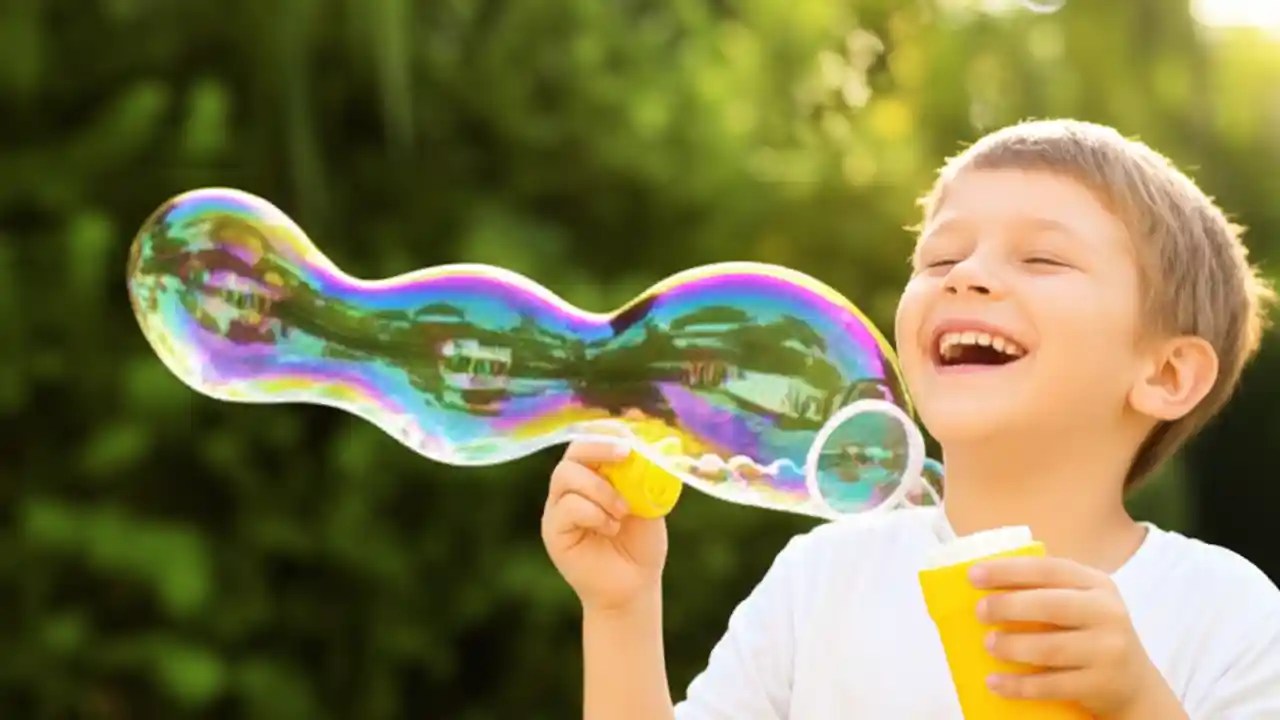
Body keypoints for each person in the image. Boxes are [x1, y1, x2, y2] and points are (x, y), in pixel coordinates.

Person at [539, 119, 1280, 719]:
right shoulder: (823, 579)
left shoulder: (1225, 612)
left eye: (1044, 260)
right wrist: (622, 611)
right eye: (939, 258)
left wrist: (1138, 708)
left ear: (1165, 374)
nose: (966, 274)